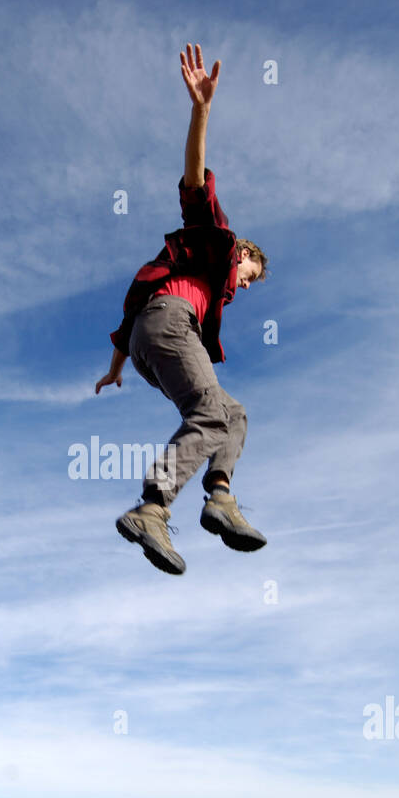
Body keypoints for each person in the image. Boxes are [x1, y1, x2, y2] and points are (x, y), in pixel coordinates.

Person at [95, 43, 268, 575]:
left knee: (232, 413)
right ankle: (153, 506)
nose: (243, 284)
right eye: (249, 274)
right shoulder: (214, 241)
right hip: (169, 324)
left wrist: (116, 369)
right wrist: (201, 110)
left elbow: (130, 327)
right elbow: (194, 182)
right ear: (240, 254)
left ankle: (220, 497)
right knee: (211, 413)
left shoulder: (200, 293)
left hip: (151, 340)